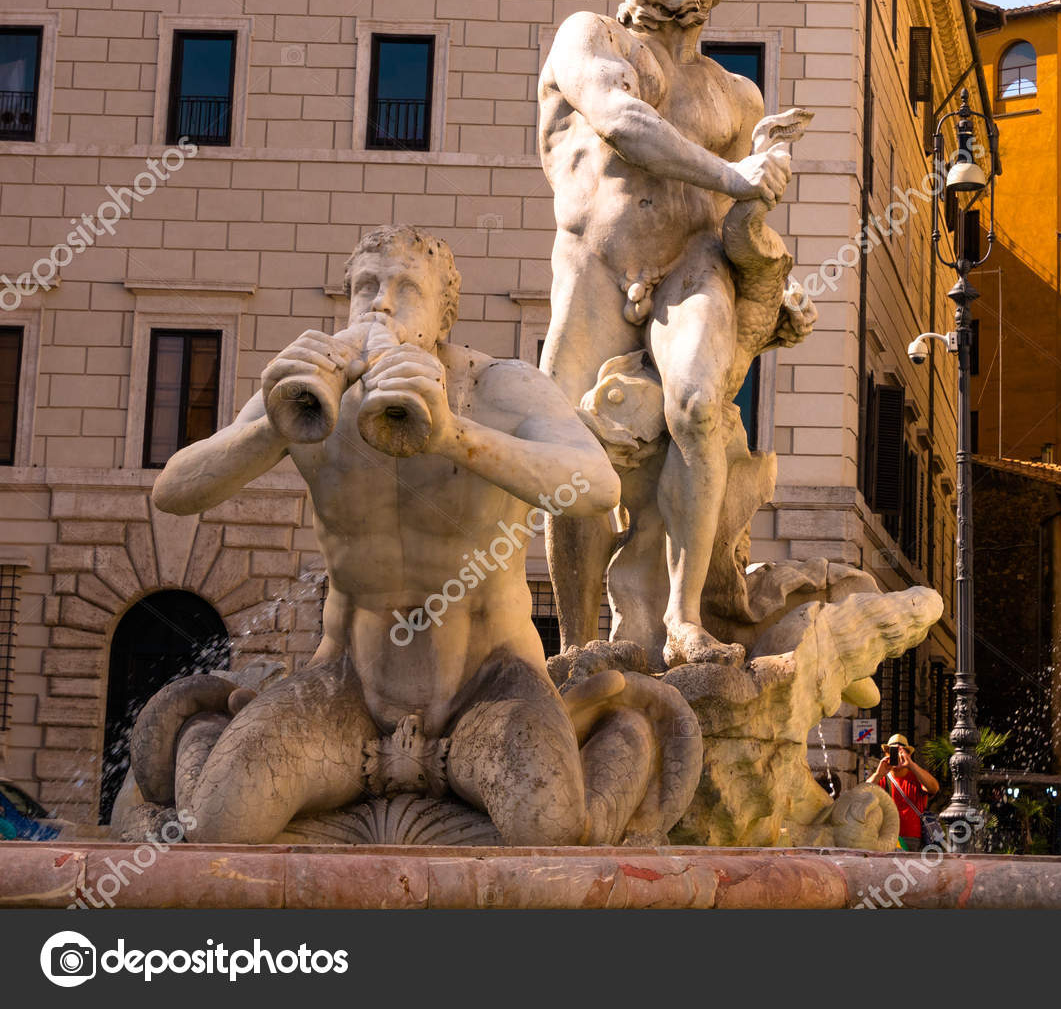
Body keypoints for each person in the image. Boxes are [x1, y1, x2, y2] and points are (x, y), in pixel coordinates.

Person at [145, 226, 693, 845]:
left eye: (406, 289)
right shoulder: (312, 395)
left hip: (486, 685)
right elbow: (175, 491)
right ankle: (207, 738)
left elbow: (597, 487)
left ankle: (615, 736)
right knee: (220, 824)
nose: (379, 304)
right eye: (365, 288)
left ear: (444, 314)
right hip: (350, 686)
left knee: (549, 830)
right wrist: (269, 430)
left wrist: (451, 436)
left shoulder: (497, 388)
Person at [537, 0, 806, 669]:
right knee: (574, 459)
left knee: (696, 404)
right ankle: (578, 643)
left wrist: (768, 286)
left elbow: (729, 217)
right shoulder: (591, 37)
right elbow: (621, 122)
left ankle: (685, 621)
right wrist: (735, 172)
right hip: (596, 264)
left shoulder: (738, 97)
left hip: (689, 268)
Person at [870, 733, 939, 850]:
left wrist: (911, 765)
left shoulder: (917, 776)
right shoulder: (882, 777)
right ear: (887, 754)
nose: (896, 755)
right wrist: (877, 774)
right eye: (892, 751)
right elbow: (862, 794)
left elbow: (934, 788)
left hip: (911, 838)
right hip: (887, 837)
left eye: (900, 752)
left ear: (908, 754)